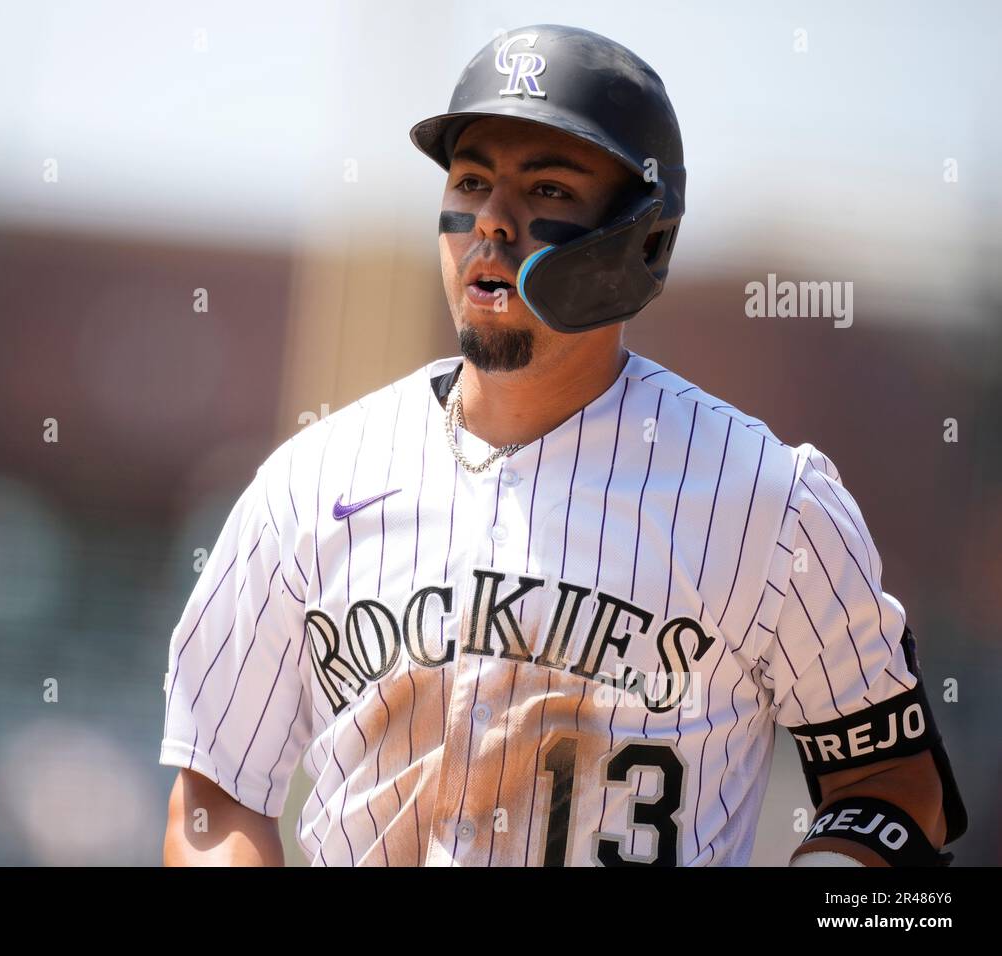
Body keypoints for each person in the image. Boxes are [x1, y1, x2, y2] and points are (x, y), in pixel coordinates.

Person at [159, 24, 966, 866]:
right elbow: (214, 796)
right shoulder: (308, 483)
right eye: (472, 181)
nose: (493, 224)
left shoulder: (768, 503)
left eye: (546, 190)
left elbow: (894, 790)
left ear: (643, 238)